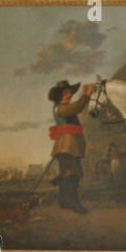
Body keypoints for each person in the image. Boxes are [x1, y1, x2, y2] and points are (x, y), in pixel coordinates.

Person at [47, 80, 95, 214]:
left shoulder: (63, 107)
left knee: (66, 173)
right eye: (65, 93)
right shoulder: (61, 108)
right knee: (73, 174)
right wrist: (87, 95)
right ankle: (75, 204)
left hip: (70, 146)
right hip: (67, 146)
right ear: (59, 96)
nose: (69, 95)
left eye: (69, 93)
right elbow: (77, 107)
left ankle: (64, 202)